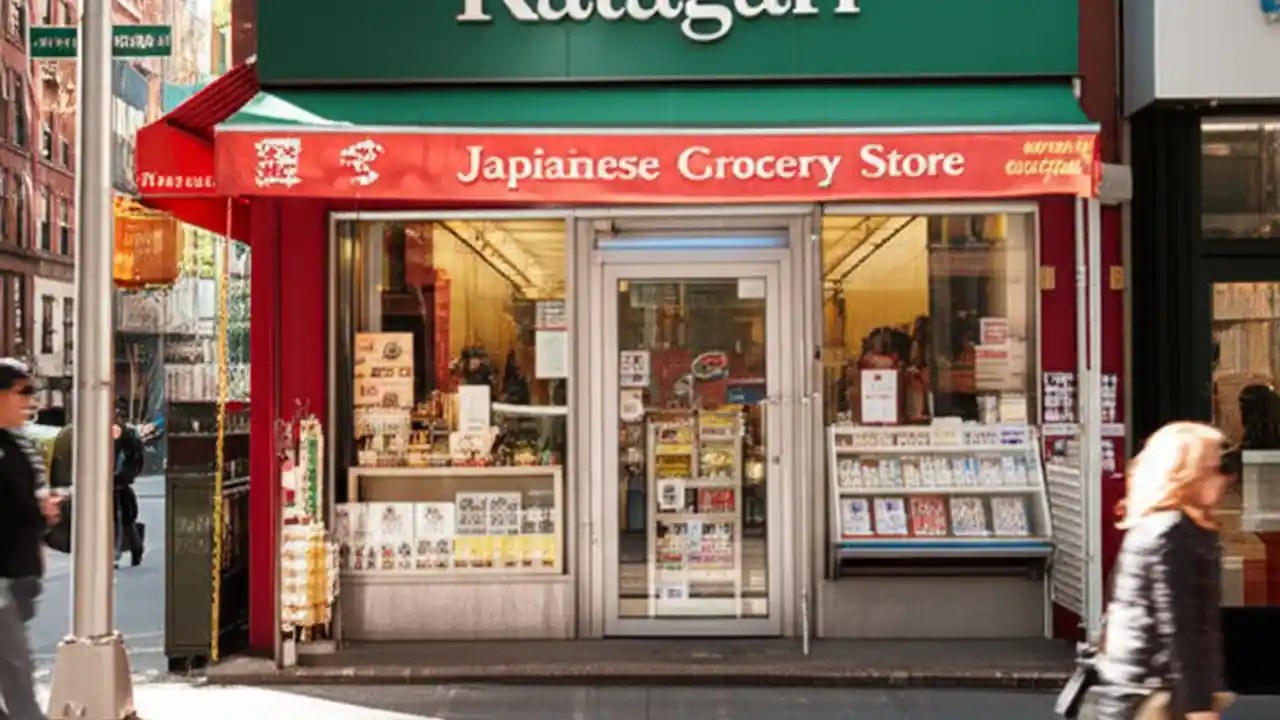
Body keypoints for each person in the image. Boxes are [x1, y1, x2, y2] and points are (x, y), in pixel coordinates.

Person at [1086, 421, 1236, 720]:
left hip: (1144, 685)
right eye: (1215, 469)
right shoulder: (1172, 534)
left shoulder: (1165, 526)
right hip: (1153, 694)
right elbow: (1181, 624)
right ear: (1187, 475)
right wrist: (1198, 706)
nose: (1226, 479)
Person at [0, 359, 62, 720]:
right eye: (22, 391)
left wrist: (43, 512)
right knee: (17, 673)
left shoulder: (16, 443)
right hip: (2, 583)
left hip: (17, 579)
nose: (29, 400)